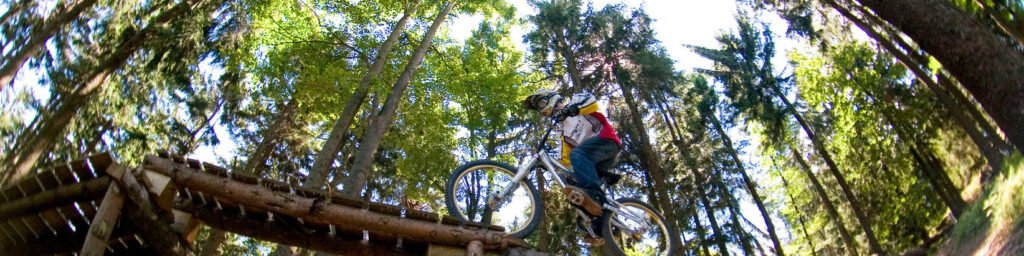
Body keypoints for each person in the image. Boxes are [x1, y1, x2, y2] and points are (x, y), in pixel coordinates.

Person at [523, 89, 622, 218]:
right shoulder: (561, 131)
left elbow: (592, 102)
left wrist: (573, 109)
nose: (541, 109)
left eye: (541, 104)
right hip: (593, 159)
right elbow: (563, 159)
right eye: (539, 108)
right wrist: (546, 165)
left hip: (607, 141)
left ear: (551, 99)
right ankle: (605, 226)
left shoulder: (576, 101)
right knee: (576, 187)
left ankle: (593, 194)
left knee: (577, 156)